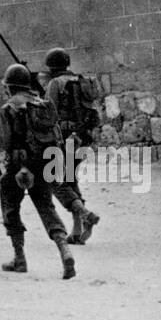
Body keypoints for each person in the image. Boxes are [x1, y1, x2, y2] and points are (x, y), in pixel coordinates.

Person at [0, 63, 76, 279]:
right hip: (41, 167)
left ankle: (19, 259)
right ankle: (65, 251)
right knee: (47, 209)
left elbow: (5, 142)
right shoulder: (42, 104)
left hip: (17, 169)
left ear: (10, 87)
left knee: (10, 208)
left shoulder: (8, 108)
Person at [43, 48, 101, 244]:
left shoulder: (54, 84)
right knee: (70, 178)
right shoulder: (80, 81)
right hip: (82, 138)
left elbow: (48, 113)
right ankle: (78, 229)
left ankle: (83, 215)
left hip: (63, 138)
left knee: (57, 181)